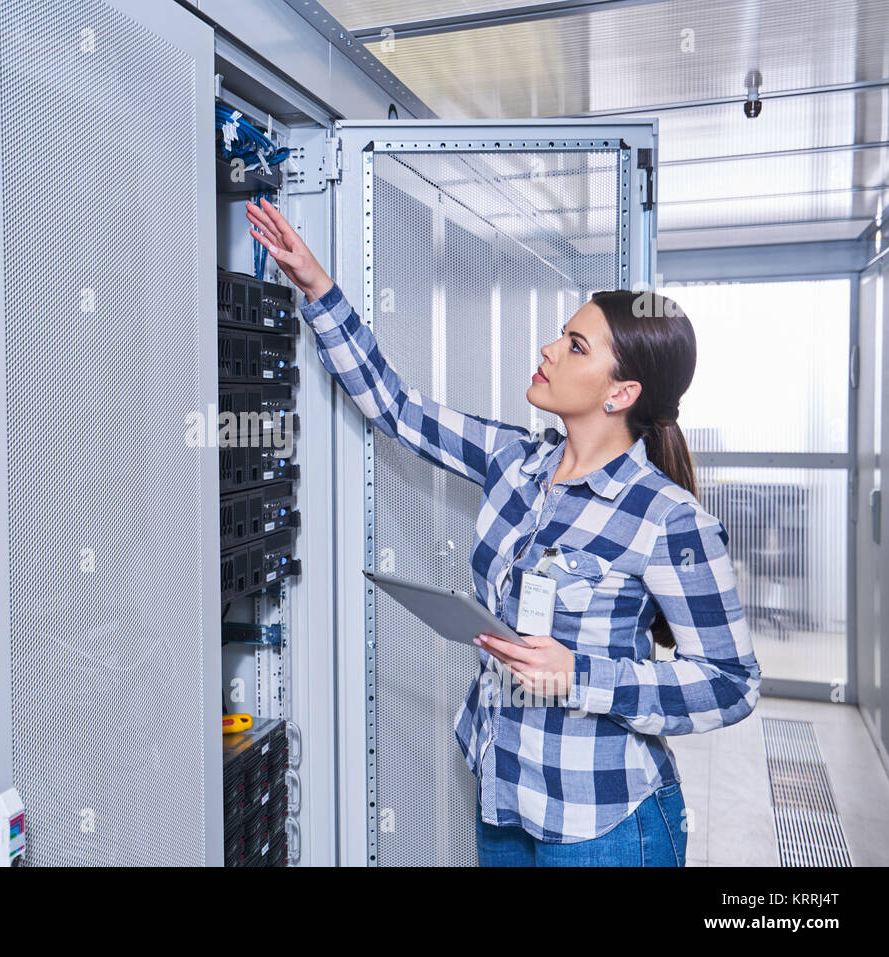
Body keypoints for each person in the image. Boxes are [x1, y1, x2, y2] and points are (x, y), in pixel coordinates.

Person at [245, 197, 762, 867]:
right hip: (504, 791)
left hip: (601, 820)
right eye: (561, 335)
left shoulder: (669, 520)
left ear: (621, 394)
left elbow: (732, 682)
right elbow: (397, 409)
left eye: (574, 345)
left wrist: (579, 675)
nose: (548, 349)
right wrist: (317, 287)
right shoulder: (513, 460)